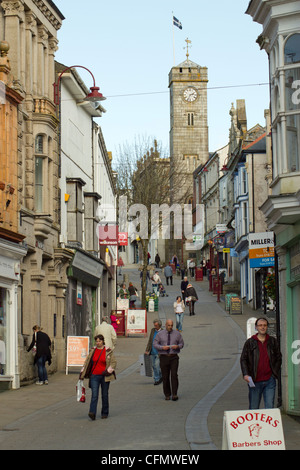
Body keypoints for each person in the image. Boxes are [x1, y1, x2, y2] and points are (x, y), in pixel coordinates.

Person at [240, 317, 282, 410]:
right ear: (256, 327)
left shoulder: (272, 341)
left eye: (264, 325)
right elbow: (243, 359)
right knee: (254, 408)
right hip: (255, 381)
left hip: (269, 380)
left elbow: (278, 357)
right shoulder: (250, 342)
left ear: (267, 327)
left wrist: (274, 373)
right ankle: (253, 425)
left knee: (270, 408)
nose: (262, 327)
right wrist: (246, 374)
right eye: (260, 325)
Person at [79, 334, 116, 420]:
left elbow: (113, 362)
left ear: (103, 341)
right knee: (94, 395)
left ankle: (104, 412)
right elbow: (87, 362)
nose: (98, 343)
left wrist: (108, 371)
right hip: (94, 375)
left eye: (99, 341)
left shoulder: (108, 351)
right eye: (97, 341)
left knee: (105, 395)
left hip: (105, 376)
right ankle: (92, 412)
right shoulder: (93, 351)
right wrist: (82, 372)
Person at [153, 319, 184, 401]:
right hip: (164, 357)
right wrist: (162, 348)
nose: (170, 327)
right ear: (165, 325)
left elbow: (182, 343)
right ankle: (167, 394)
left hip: (174, 357)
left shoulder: (177, 334)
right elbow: (155, 344)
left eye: (171, 325)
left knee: (174, 375)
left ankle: (174, 394)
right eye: (169, 325)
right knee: (165, 376)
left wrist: (177, 346)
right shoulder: (160, 334)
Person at [145, 319, 163, 385]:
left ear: (159, 325)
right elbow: (150, 340)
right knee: (153, 365)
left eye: (156, 325)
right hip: (152, 351)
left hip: (159, 353)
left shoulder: (163, 331)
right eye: (154, 325)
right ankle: (160, 377)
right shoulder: (153, 330)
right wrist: (147, 350)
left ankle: (157, 379)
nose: (155, 327)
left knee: (156, 366)